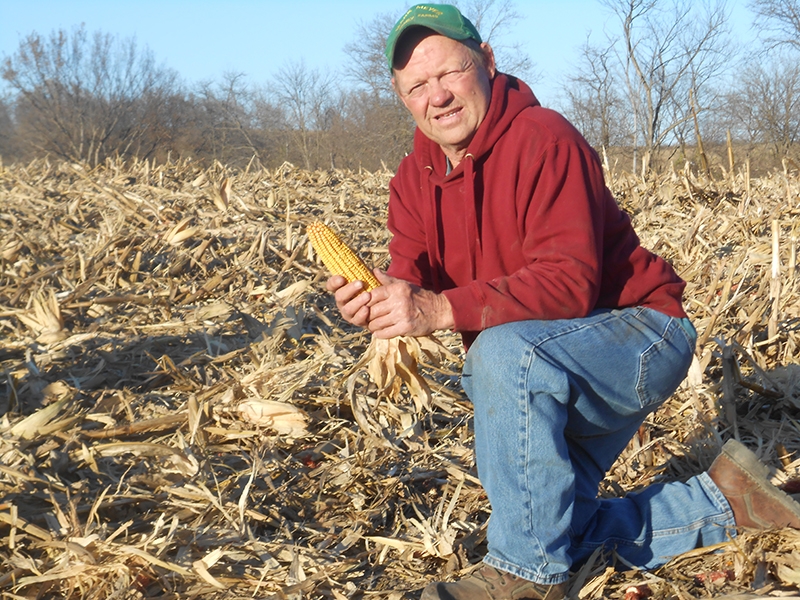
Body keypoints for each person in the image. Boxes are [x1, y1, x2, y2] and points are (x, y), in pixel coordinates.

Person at [326, 4, 800, 599]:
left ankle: (525, 581)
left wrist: (441, 310)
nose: (437, 97)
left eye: (449, 74)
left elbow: (570, 280)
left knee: (498, 358)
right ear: (402, 98)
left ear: (488, 62)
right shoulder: (411, 181)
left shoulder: (544, 138)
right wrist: (380, 303)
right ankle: (728, 500)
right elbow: (410, 277)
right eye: (417, 86)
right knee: (555, 529)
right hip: (545, 364)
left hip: (637, 332)